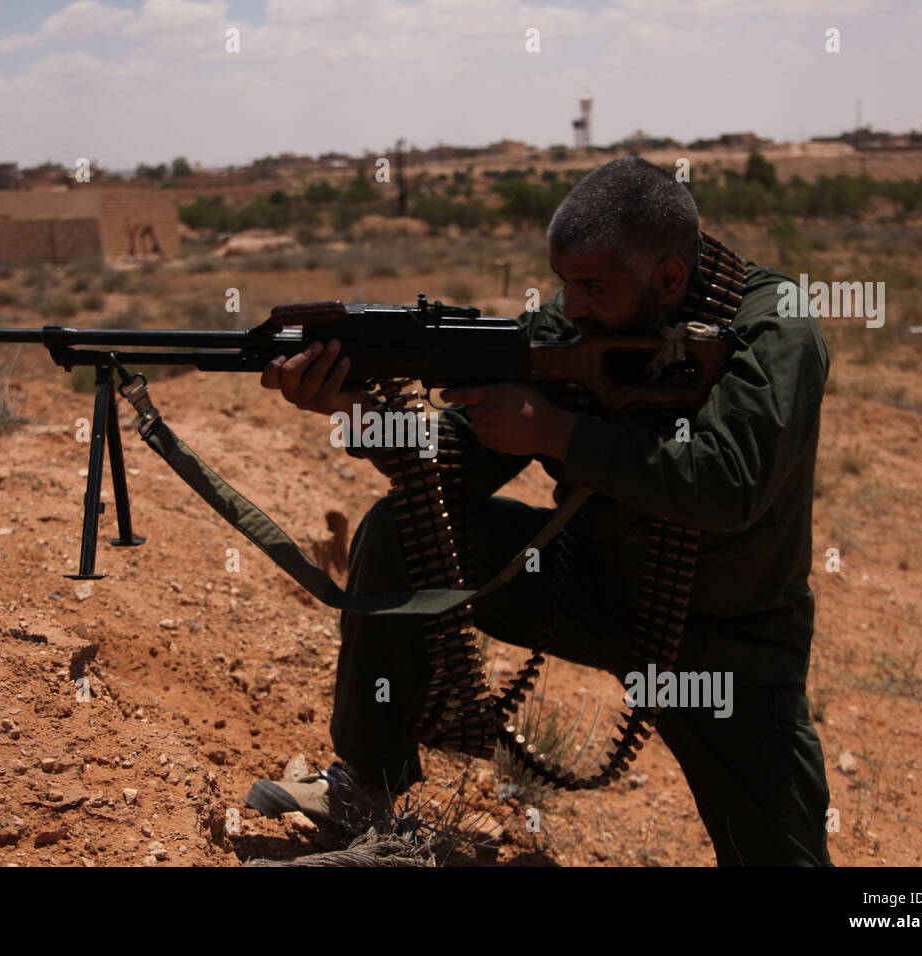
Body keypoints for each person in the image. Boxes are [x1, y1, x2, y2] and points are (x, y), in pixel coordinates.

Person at [245, 157, 833, 866]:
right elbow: (452, 470)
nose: (571, 304)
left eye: (593, 286)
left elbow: (728, 483)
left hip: (725, 637)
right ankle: (367, 788)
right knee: (400, 530)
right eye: (563, 281)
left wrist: (554, 432)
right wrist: (359, 415)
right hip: (588, 589)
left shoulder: (774, 327)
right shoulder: (570, 325)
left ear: (670, 279)